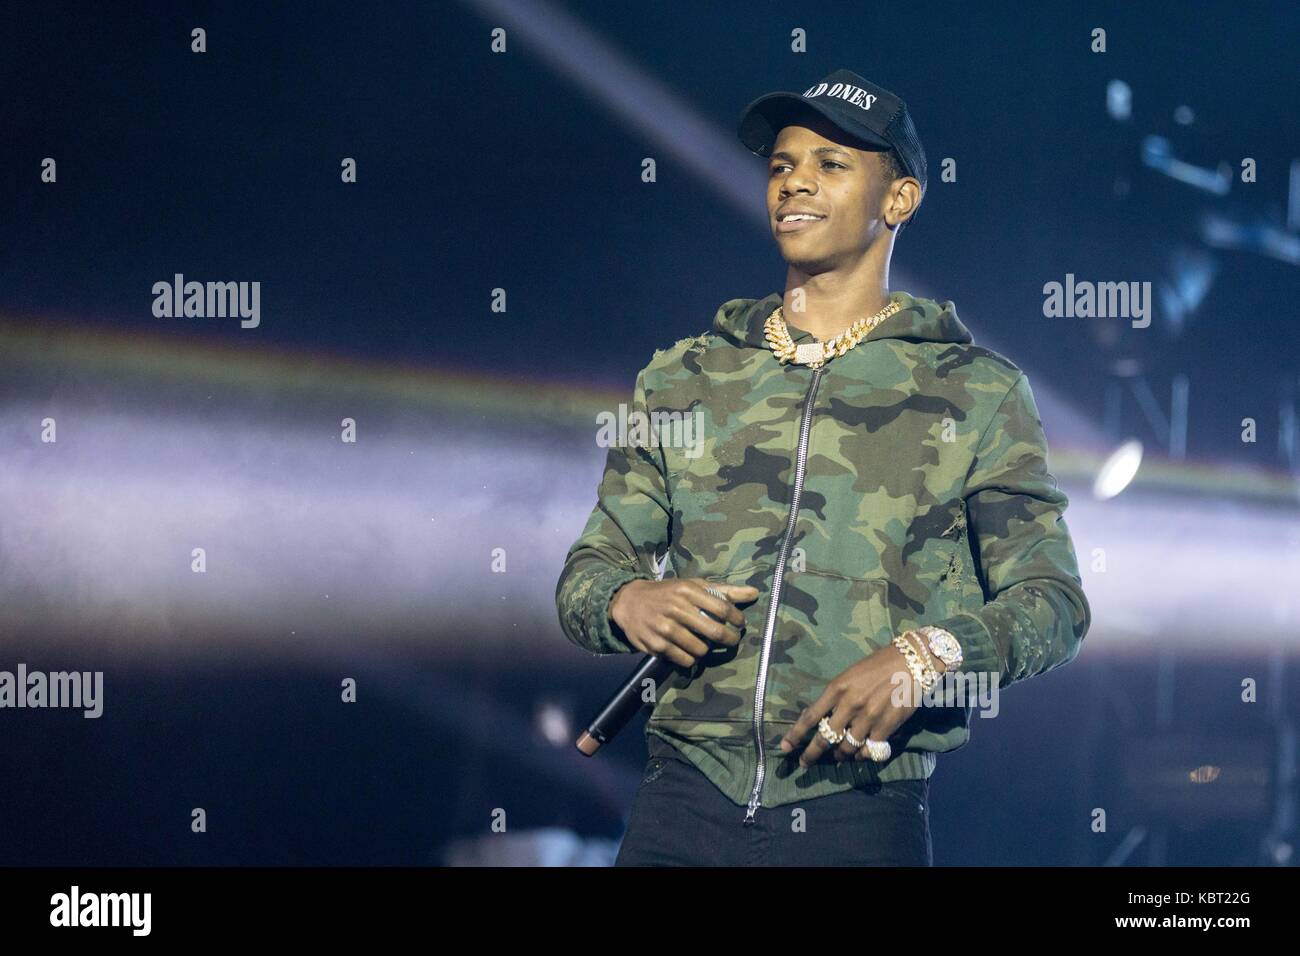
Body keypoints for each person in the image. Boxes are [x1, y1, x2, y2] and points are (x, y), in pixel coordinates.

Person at [555, 68, 1091, 866]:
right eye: (781, 165)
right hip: (681, 800)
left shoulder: (975, 391)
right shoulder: (686, 375)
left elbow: (1052, 602)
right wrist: (626, 599)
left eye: (830, 164)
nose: (794, 181)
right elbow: (587, 573)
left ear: (899, 199)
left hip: (860, 810)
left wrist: (928, 657)